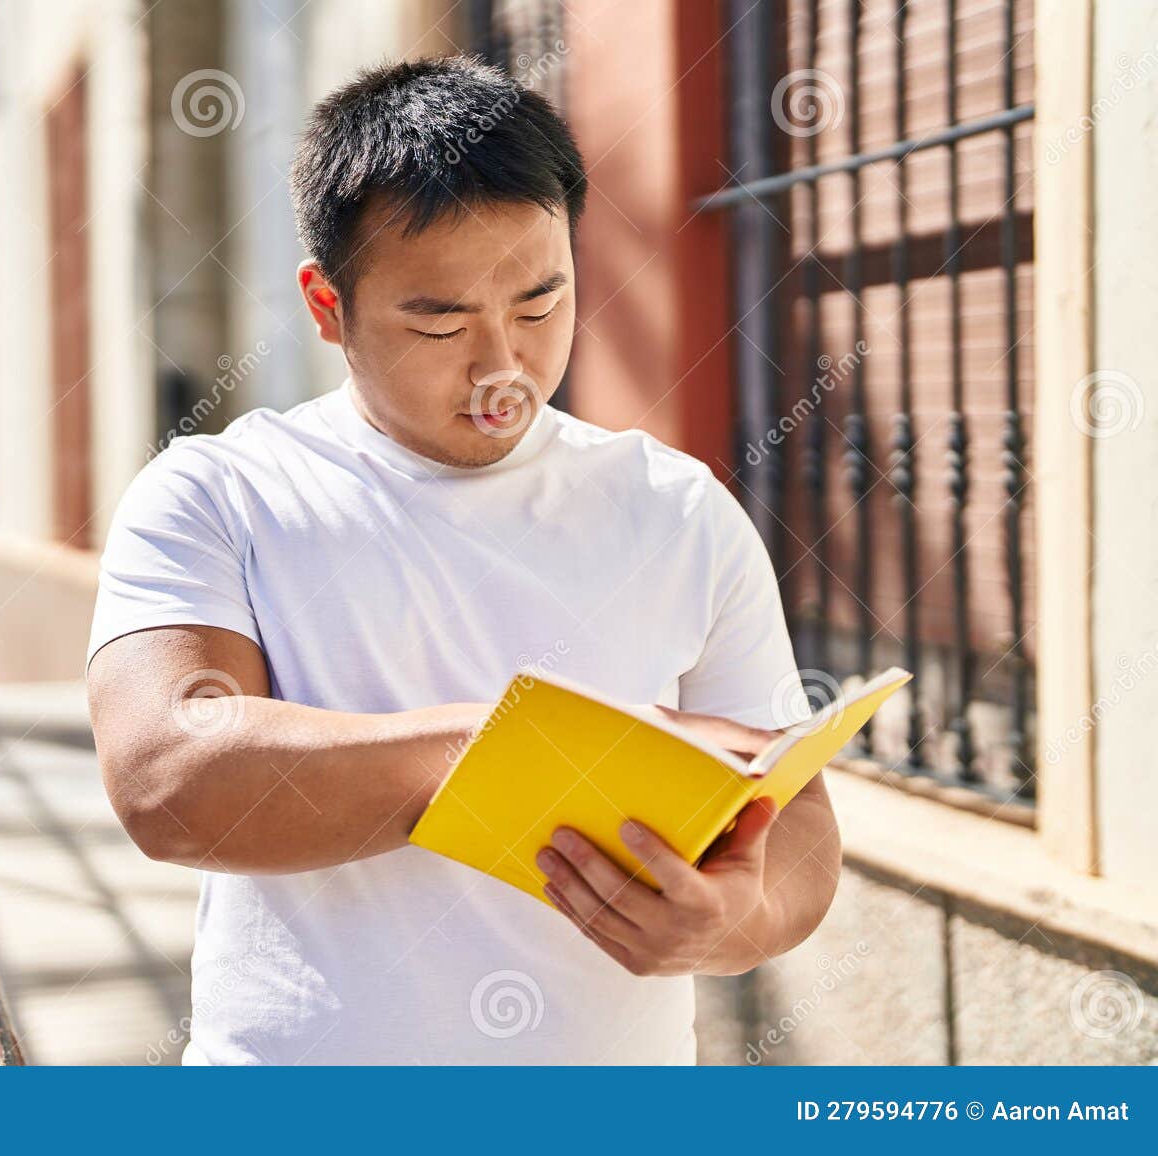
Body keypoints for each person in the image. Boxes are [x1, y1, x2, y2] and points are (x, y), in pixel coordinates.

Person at [85, 55, 838, 1065]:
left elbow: (792, 827)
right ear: (326, 304)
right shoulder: (218, 495)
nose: (502, 364)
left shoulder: (677, 508)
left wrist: (730, 920)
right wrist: (516, 747)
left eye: (539, 303)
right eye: (438, 317)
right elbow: (169, 778)